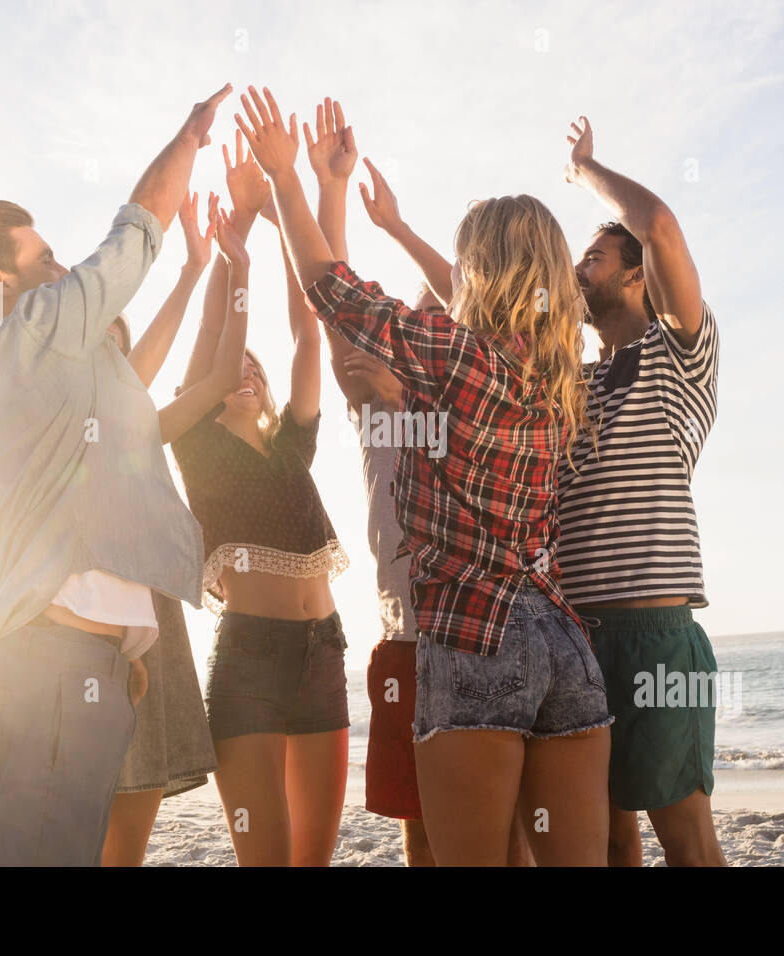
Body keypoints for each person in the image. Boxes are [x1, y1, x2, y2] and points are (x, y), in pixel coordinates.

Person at [237, 86, 610, 866]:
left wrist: (286, 177)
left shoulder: (456, 357)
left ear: (479, 270)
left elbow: (332, 291)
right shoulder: (560, 371)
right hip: (563, 641)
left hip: (473, 636)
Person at [0, 83, 235, 866]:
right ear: (1, 283)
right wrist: (189, 140)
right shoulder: (26, 335)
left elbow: (129, 387)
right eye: (44, 256)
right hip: (53, 673)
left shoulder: (29, 373)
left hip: (72, 669)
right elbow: (134, 232)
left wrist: (122, 649)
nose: (63, 267)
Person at [304, 99, 533, 866]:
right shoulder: (375, 401)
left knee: (506, 836)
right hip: (408, 638)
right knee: (420, 831)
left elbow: (484, 307)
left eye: (444, 314)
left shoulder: (484, 392)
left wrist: (400, 229)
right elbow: (337, 301)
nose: (430, 321)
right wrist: (329, 189)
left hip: (489, 633)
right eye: (422, 318)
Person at [168, 133, 351, 867]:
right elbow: (216, 327)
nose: (242, 366)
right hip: (248, 664)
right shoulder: (197, 449)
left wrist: (282, 204)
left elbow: (310, 330)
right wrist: (231, 240)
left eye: (253, 364)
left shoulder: (291, 447)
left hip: (326, 656)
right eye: (228, 366)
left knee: (316, 860)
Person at [558, 115, 726, 866]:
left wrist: (585, 169)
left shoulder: (680, 354)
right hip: (573, 642)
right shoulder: (567, 384)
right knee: (607, 843)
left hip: (657, 640)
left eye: (592, 257)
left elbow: (657, 223)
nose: (577, 269)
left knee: (687, 844)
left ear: (634, 273)